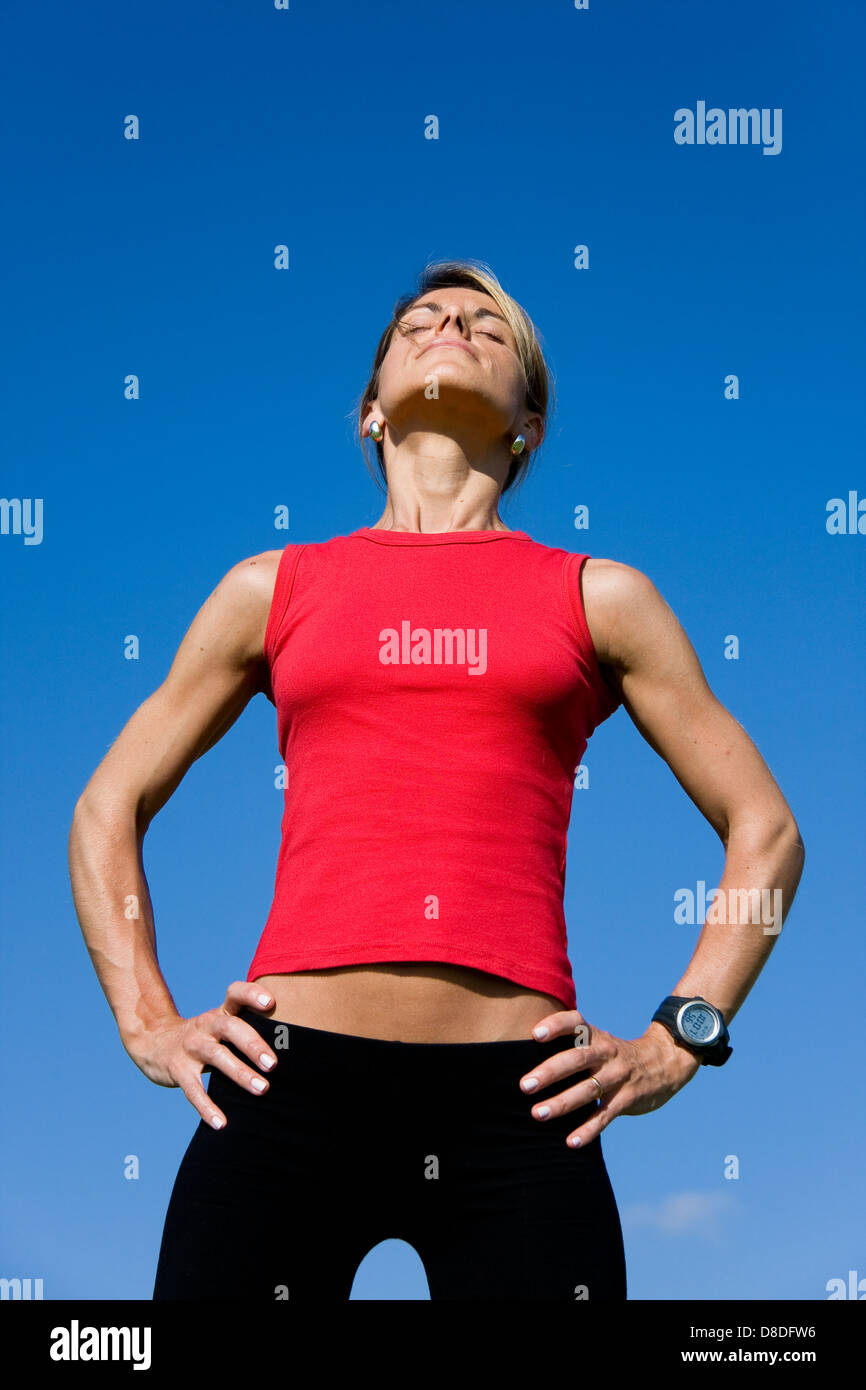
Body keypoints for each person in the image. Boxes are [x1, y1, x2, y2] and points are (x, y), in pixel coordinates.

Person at [68, 258, 805, 1302]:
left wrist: (674, 1040)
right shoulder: (270, 587)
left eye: (486, 326)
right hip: (282, 1088)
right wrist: (148, 1018)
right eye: (420, 317)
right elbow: (107, 803)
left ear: (529, 424)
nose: (449, 322)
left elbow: (765, 828)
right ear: (371, 407)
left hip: (522, 1104)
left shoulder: (599, 596)